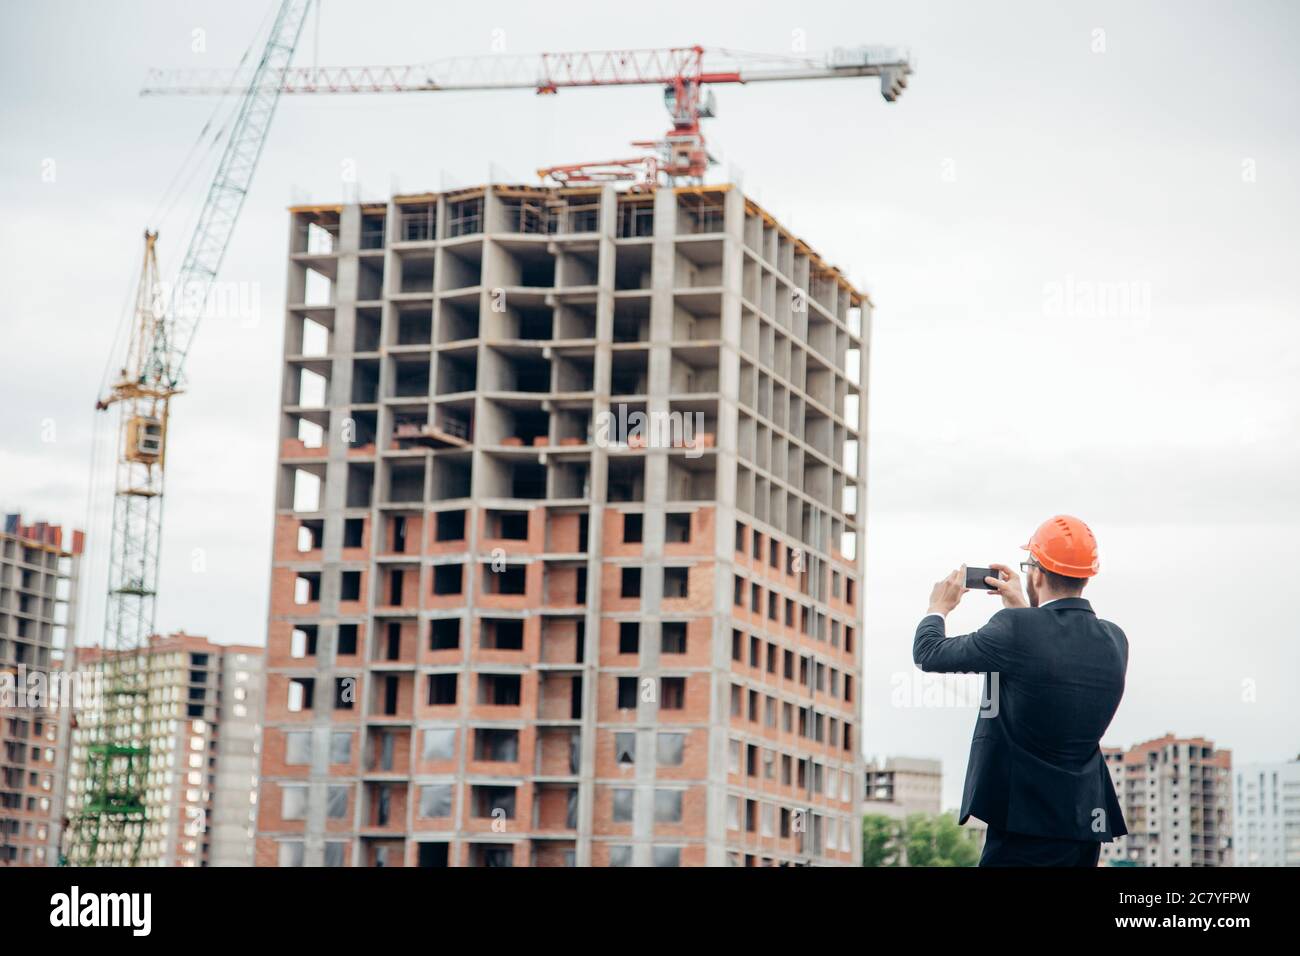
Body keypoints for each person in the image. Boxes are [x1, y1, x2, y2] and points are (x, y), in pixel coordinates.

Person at [913, 515, 1128, 867]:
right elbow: (1050, 659)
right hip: (1083, 825)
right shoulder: (1115, 640)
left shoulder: (1014, 629)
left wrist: (938, 607)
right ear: (1088, 576)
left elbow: (928, 654)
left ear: (1037, 573)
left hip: (1023, 825)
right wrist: (1025, 612)